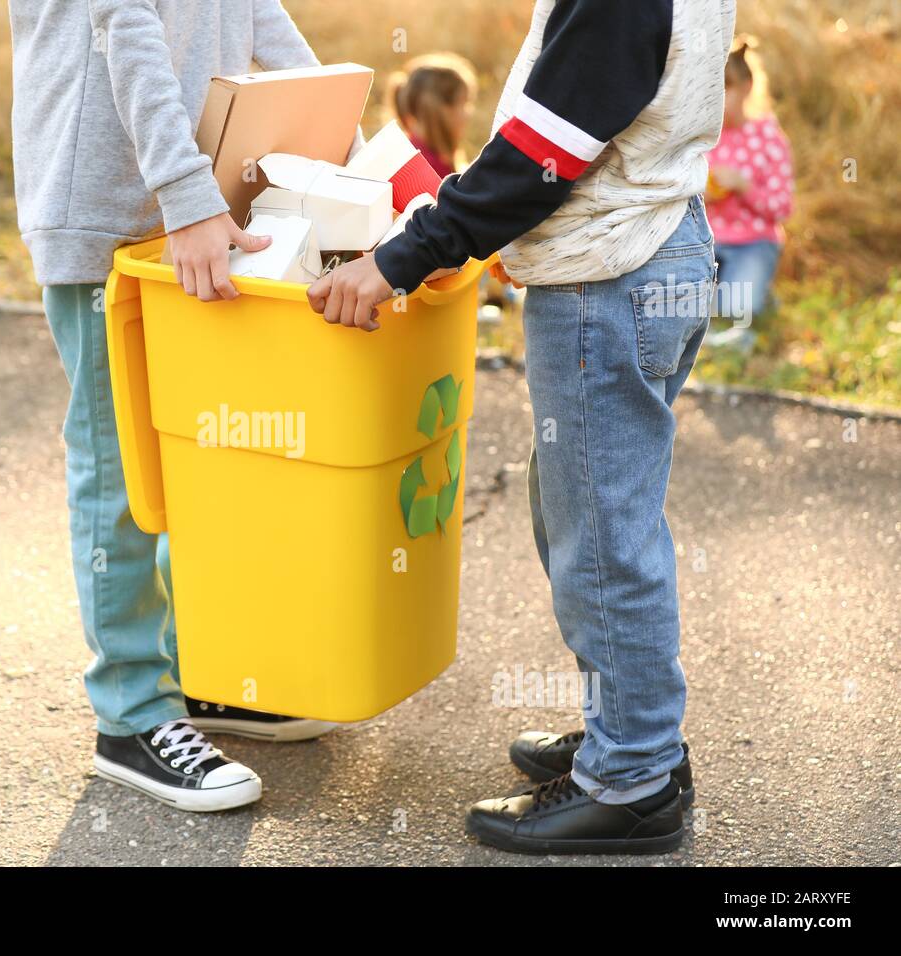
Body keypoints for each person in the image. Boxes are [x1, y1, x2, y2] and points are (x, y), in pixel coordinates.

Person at [308, 0, 735, 854]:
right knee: (585, 515)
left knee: (604, 537)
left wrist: (404, 255)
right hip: (654, 242)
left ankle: (634, 781)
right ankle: (630, 732)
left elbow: (546, 154)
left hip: (608, 270)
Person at [7, 0, 335, 814]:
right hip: (114, 215)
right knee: (118, 465)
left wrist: (356, 163)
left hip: (198, 214)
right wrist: (187, 195)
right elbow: (123, 23)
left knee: (202, 460)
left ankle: (195, 676)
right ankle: (131, 714)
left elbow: (263, 23)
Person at [704, 35, 793, 351]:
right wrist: (703, 193)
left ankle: (756, 300)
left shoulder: (768, 137)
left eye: (725, 90)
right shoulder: (704, 136)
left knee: (730, 310)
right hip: (709, 242)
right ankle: (757, 297)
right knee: (684, 305)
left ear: (745, 89)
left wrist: (744, 187)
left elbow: (782, 208)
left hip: (752, 242)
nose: (718, 98)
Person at [388, 53, 479, 178]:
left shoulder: (410, 154)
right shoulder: (430, 169)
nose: (468, 113)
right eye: (463, 103)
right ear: (442, 109)